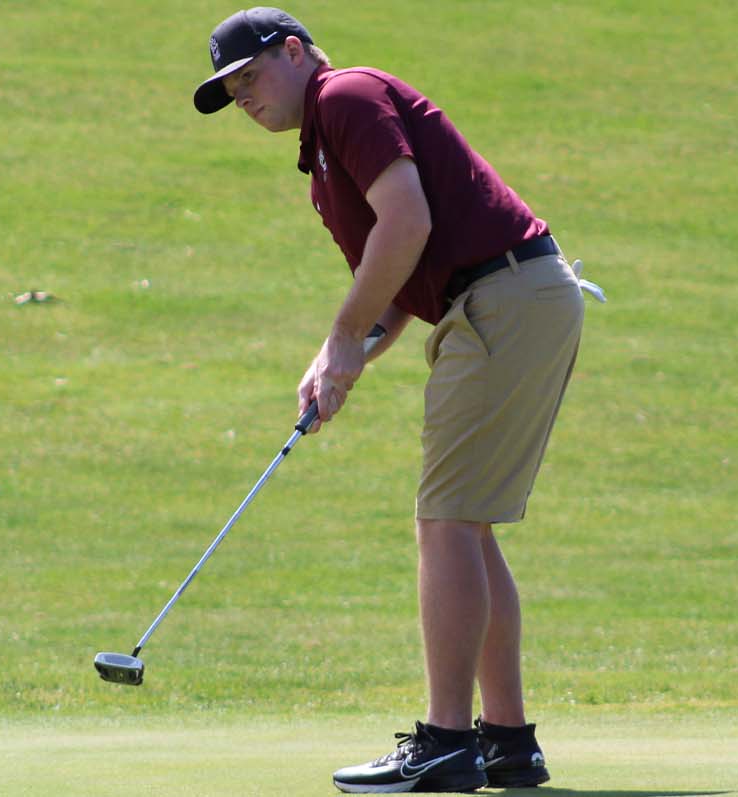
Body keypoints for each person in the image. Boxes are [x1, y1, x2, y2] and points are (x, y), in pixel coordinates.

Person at [193, 7, 596, 793]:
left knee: (445, 520)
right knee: (465, 523)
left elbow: (406, 220)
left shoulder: (343, 96)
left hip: (501, 295)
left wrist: (345, 335)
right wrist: (340, 358)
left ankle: (448, 742)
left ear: (297, 52)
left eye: (249, 76)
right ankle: (508, 741)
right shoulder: (321, 160)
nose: (242, 98)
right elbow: (398, 284)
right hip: (501, 298)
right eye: (229, 91)